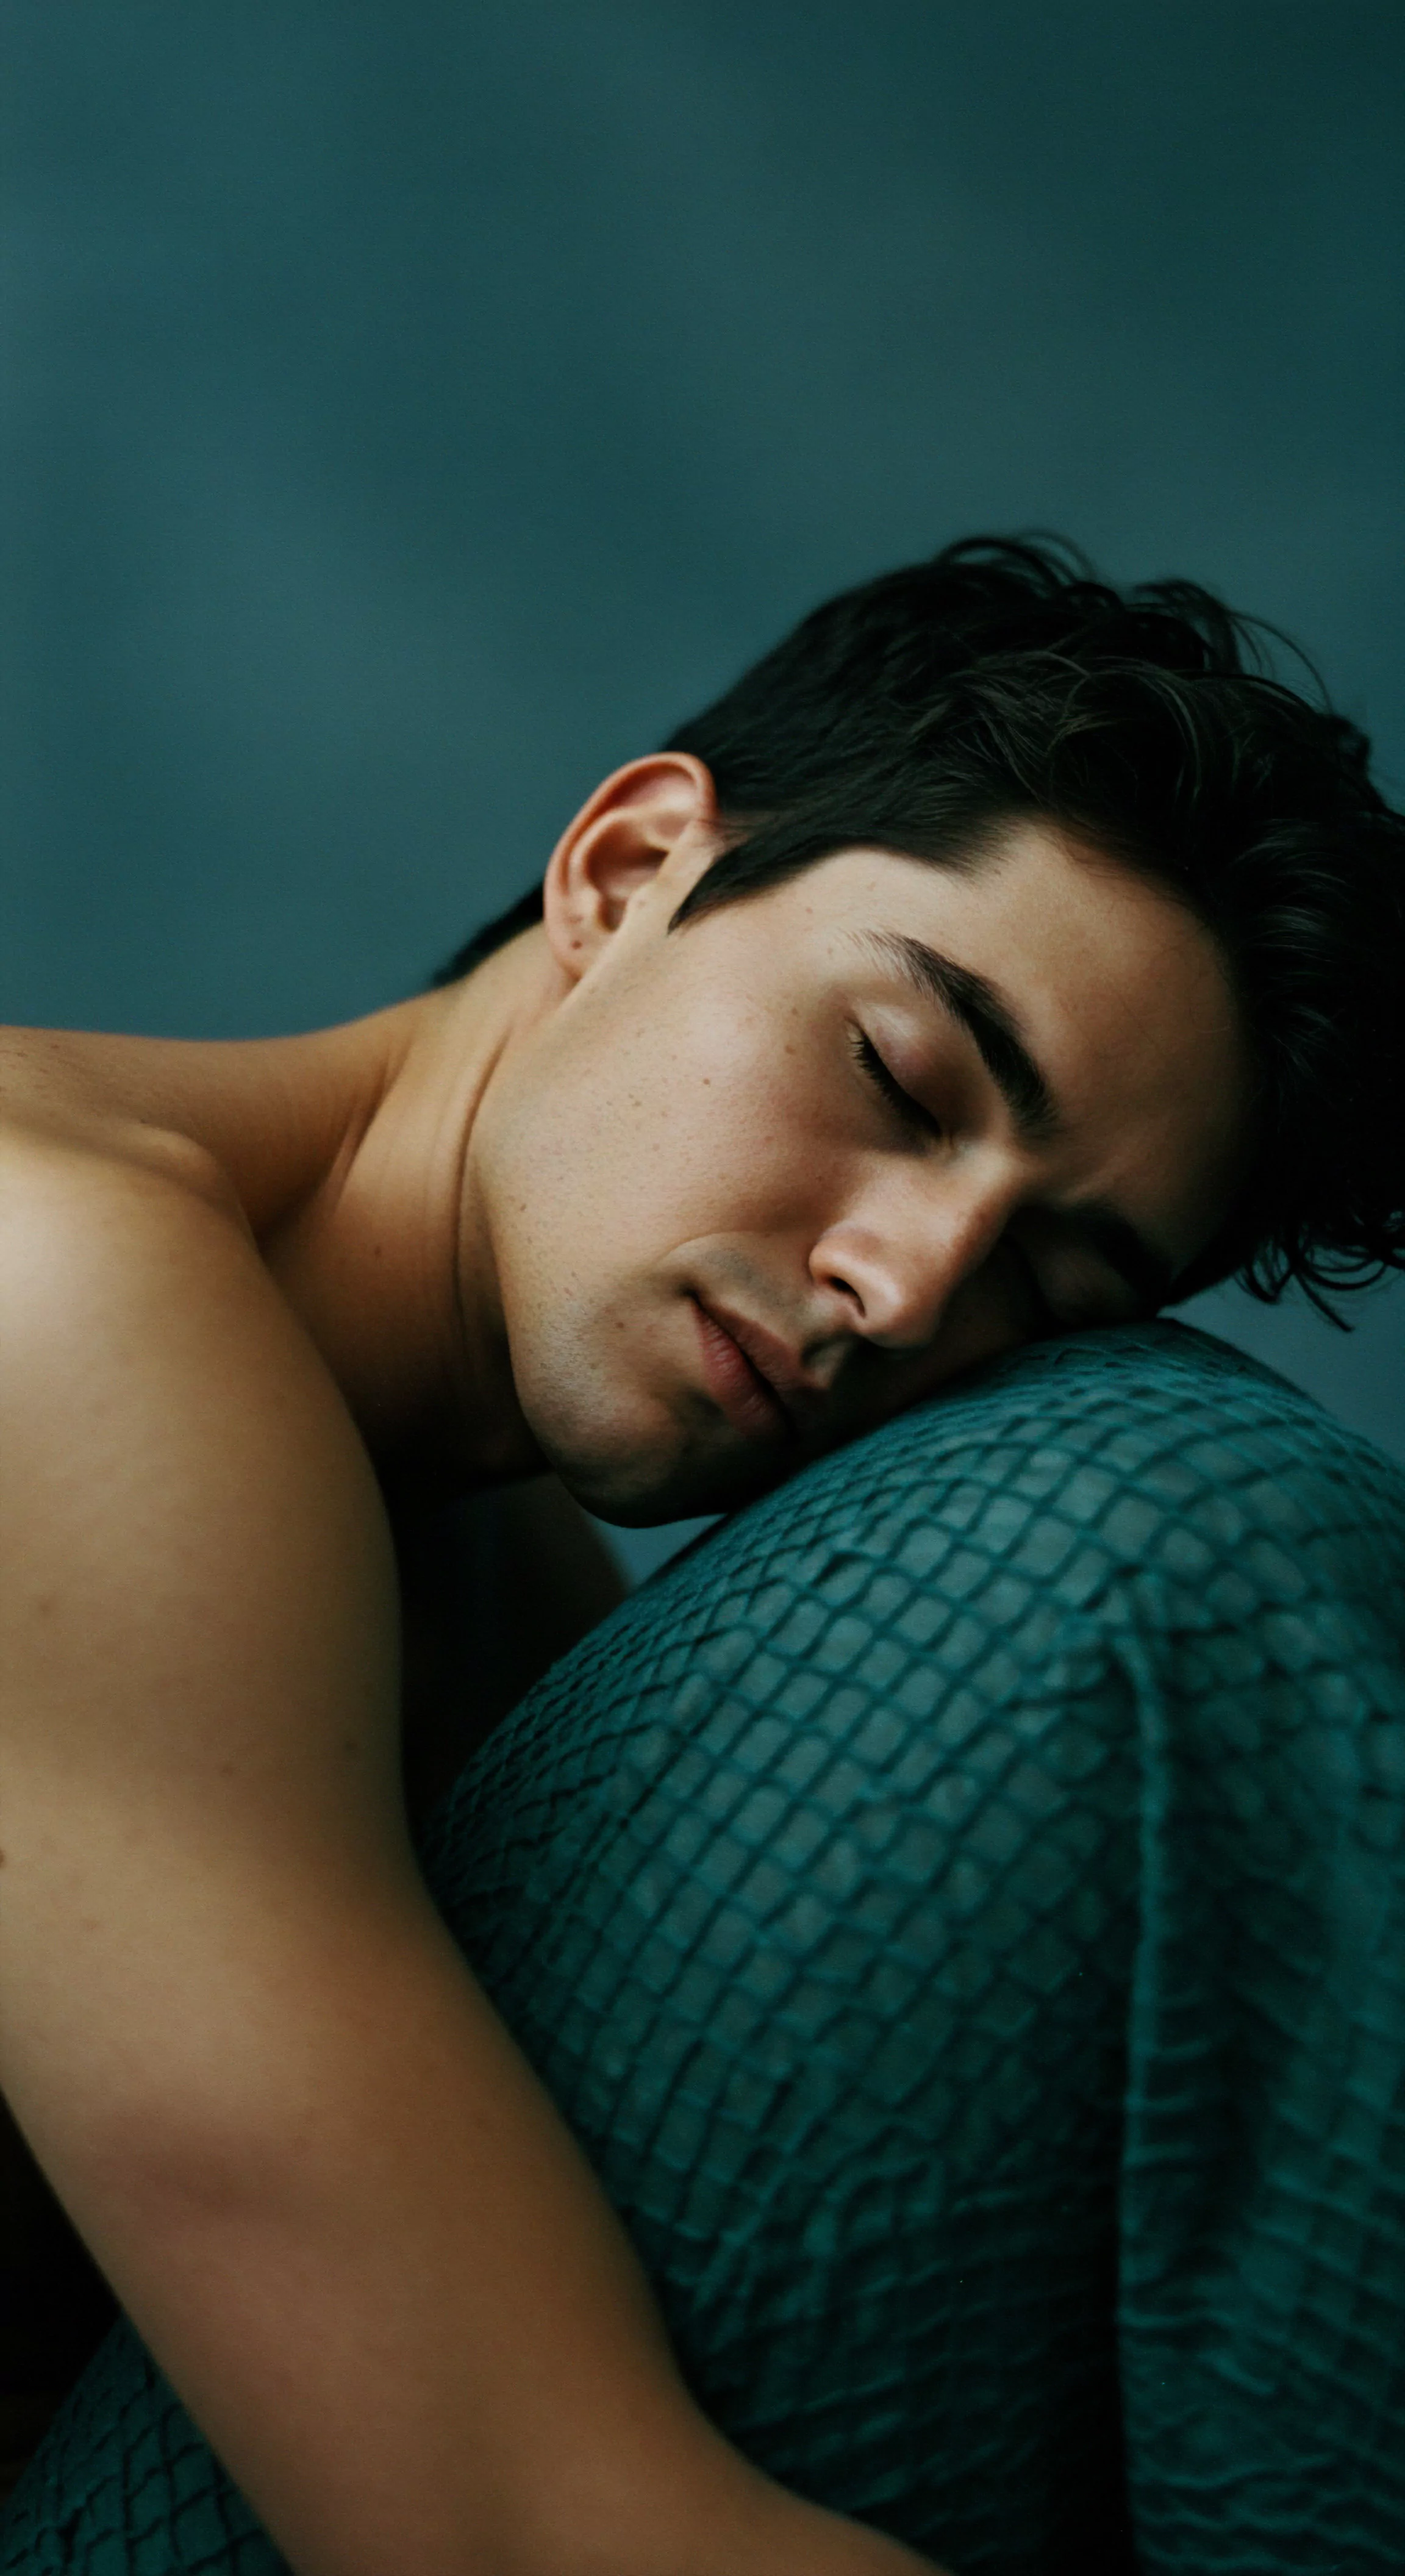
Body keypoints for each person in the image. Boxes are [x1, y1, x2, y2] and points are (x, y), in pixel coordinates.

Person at [1, 538, 1401, 2574]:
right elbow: (520, 2530)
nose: (910, 1287)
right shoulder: (57, 1301)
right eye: (901, 1078)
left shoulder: (492, 1579)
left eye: (1047, 1278)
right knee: (1186, 1523)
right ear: (624, 868)